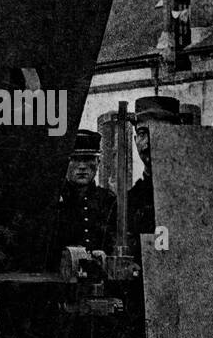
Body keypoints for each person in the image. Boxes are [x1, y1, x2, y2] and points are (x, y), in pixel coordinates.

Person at [50, 129, 117, 265]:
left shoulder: (108, 200)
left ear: (98, 162)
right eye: (75, 159)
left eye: (88, 159)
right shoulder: (54, 200)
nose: (81, 166)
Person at [127, 95, 180, 254]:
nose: (149, 142)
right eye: (143, 133)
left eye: (158, 132)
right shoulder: (130, 201)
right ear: (135, 140)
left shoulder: (194, 193)